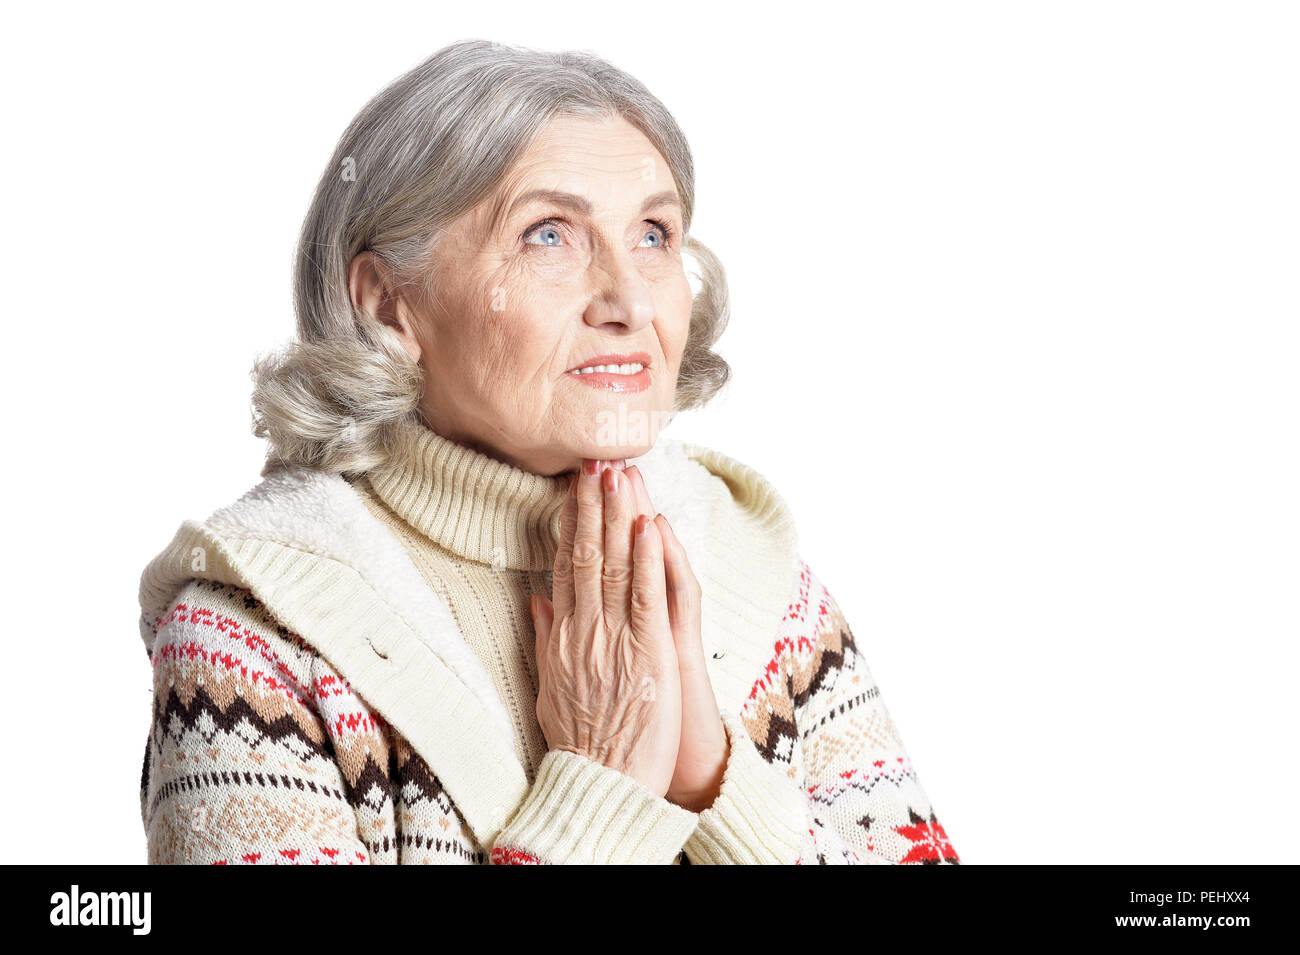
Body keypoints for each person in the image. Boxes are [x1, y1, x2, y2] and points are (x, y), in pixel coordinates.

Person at [136, 38, 959, 865]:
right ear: (390, 305)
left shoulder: (752, 573)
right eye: (549, 235)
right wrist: (599, 796)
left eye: (653, 233)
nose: (631, 300)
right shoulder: (253, 635)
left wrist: (713, 781)